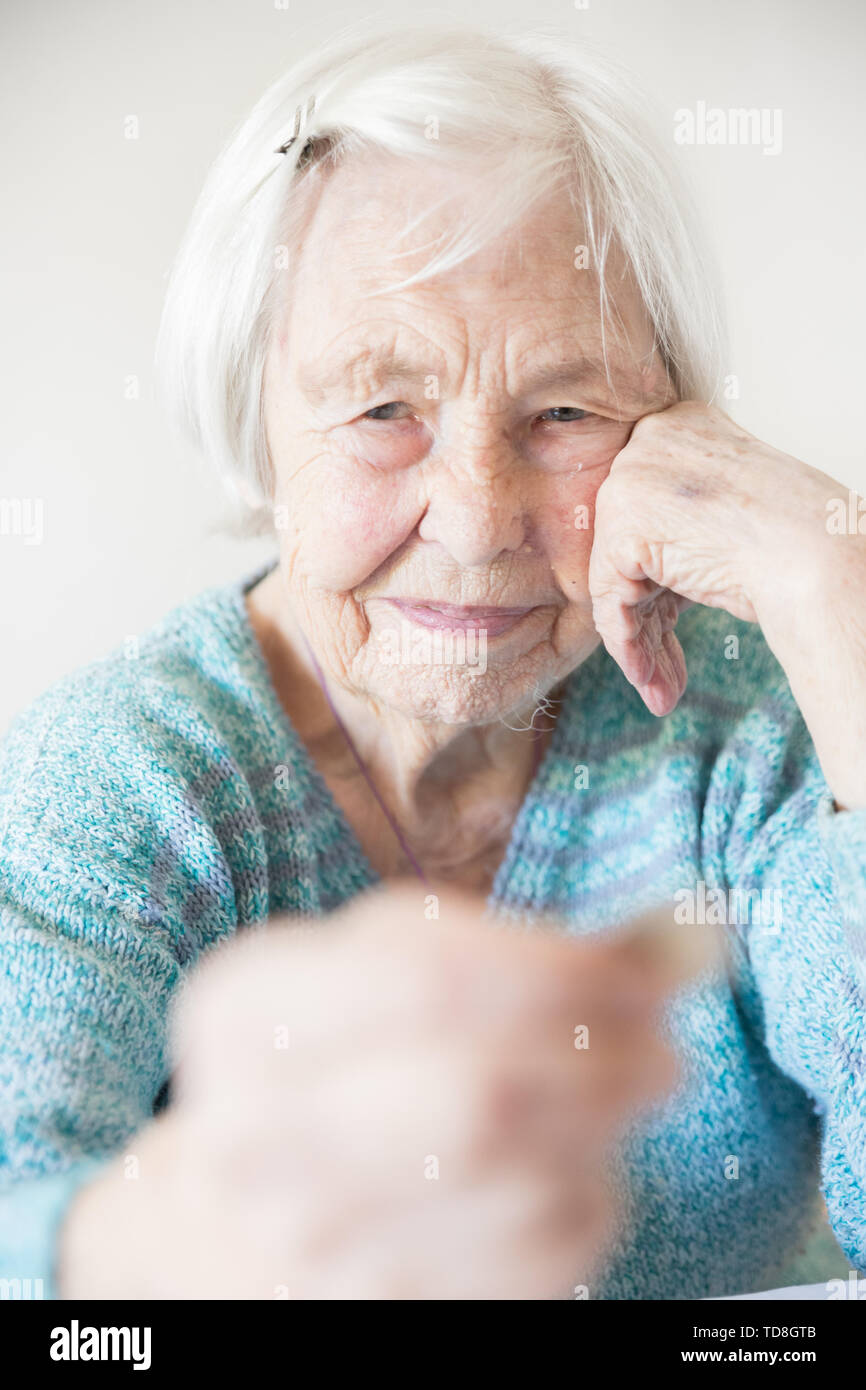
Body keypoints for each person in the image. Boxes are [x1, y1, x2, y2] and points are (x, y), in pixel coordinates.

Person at [2, 21, 864, 1300]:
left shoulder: (756, 706)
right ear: (256, 417)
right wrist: (181, 1248)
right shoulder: (115, 779)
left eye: (564, 410)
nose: (474, 520)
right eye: (381, 408)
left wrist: (836, 590)